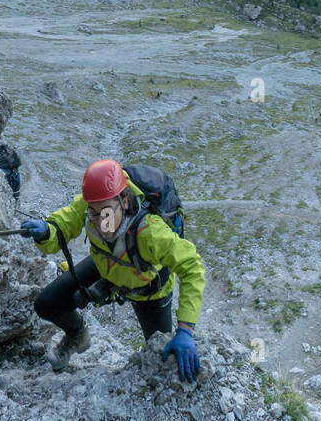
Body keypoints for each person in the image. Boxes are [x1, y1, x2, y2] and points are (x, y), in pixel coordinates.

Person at [21, 158, 204, 380]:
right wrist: (46, 231)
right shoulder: (92, 204)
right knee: (47, 303)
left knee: (160, 356)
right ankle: (77, 335)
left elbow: (192, 267)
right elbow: (62, 225)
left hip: (149, 289)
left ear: (125, 201)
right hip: (106, 265)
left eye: (106, 213)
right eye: (93, 214)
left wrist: (185, 330)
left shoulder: (150, 233)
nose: (100, 222)